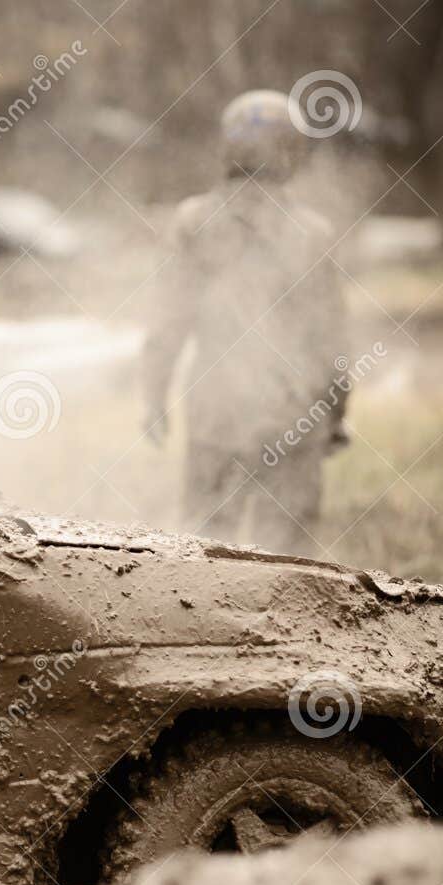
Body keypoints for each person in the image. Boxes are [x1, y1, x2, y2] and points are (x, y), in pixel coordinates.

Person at [140, 89, 349, 556]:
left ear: (228, 147)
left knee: (206, 552)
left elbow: (168, 320)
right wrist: (336, 412)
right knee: (290, 560)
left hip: (216, 411)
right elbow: (330, 336)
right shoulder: (313, 232)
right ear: (293, 152)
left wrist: (154, 396)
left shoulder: (193, 220)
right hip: (296, 414)